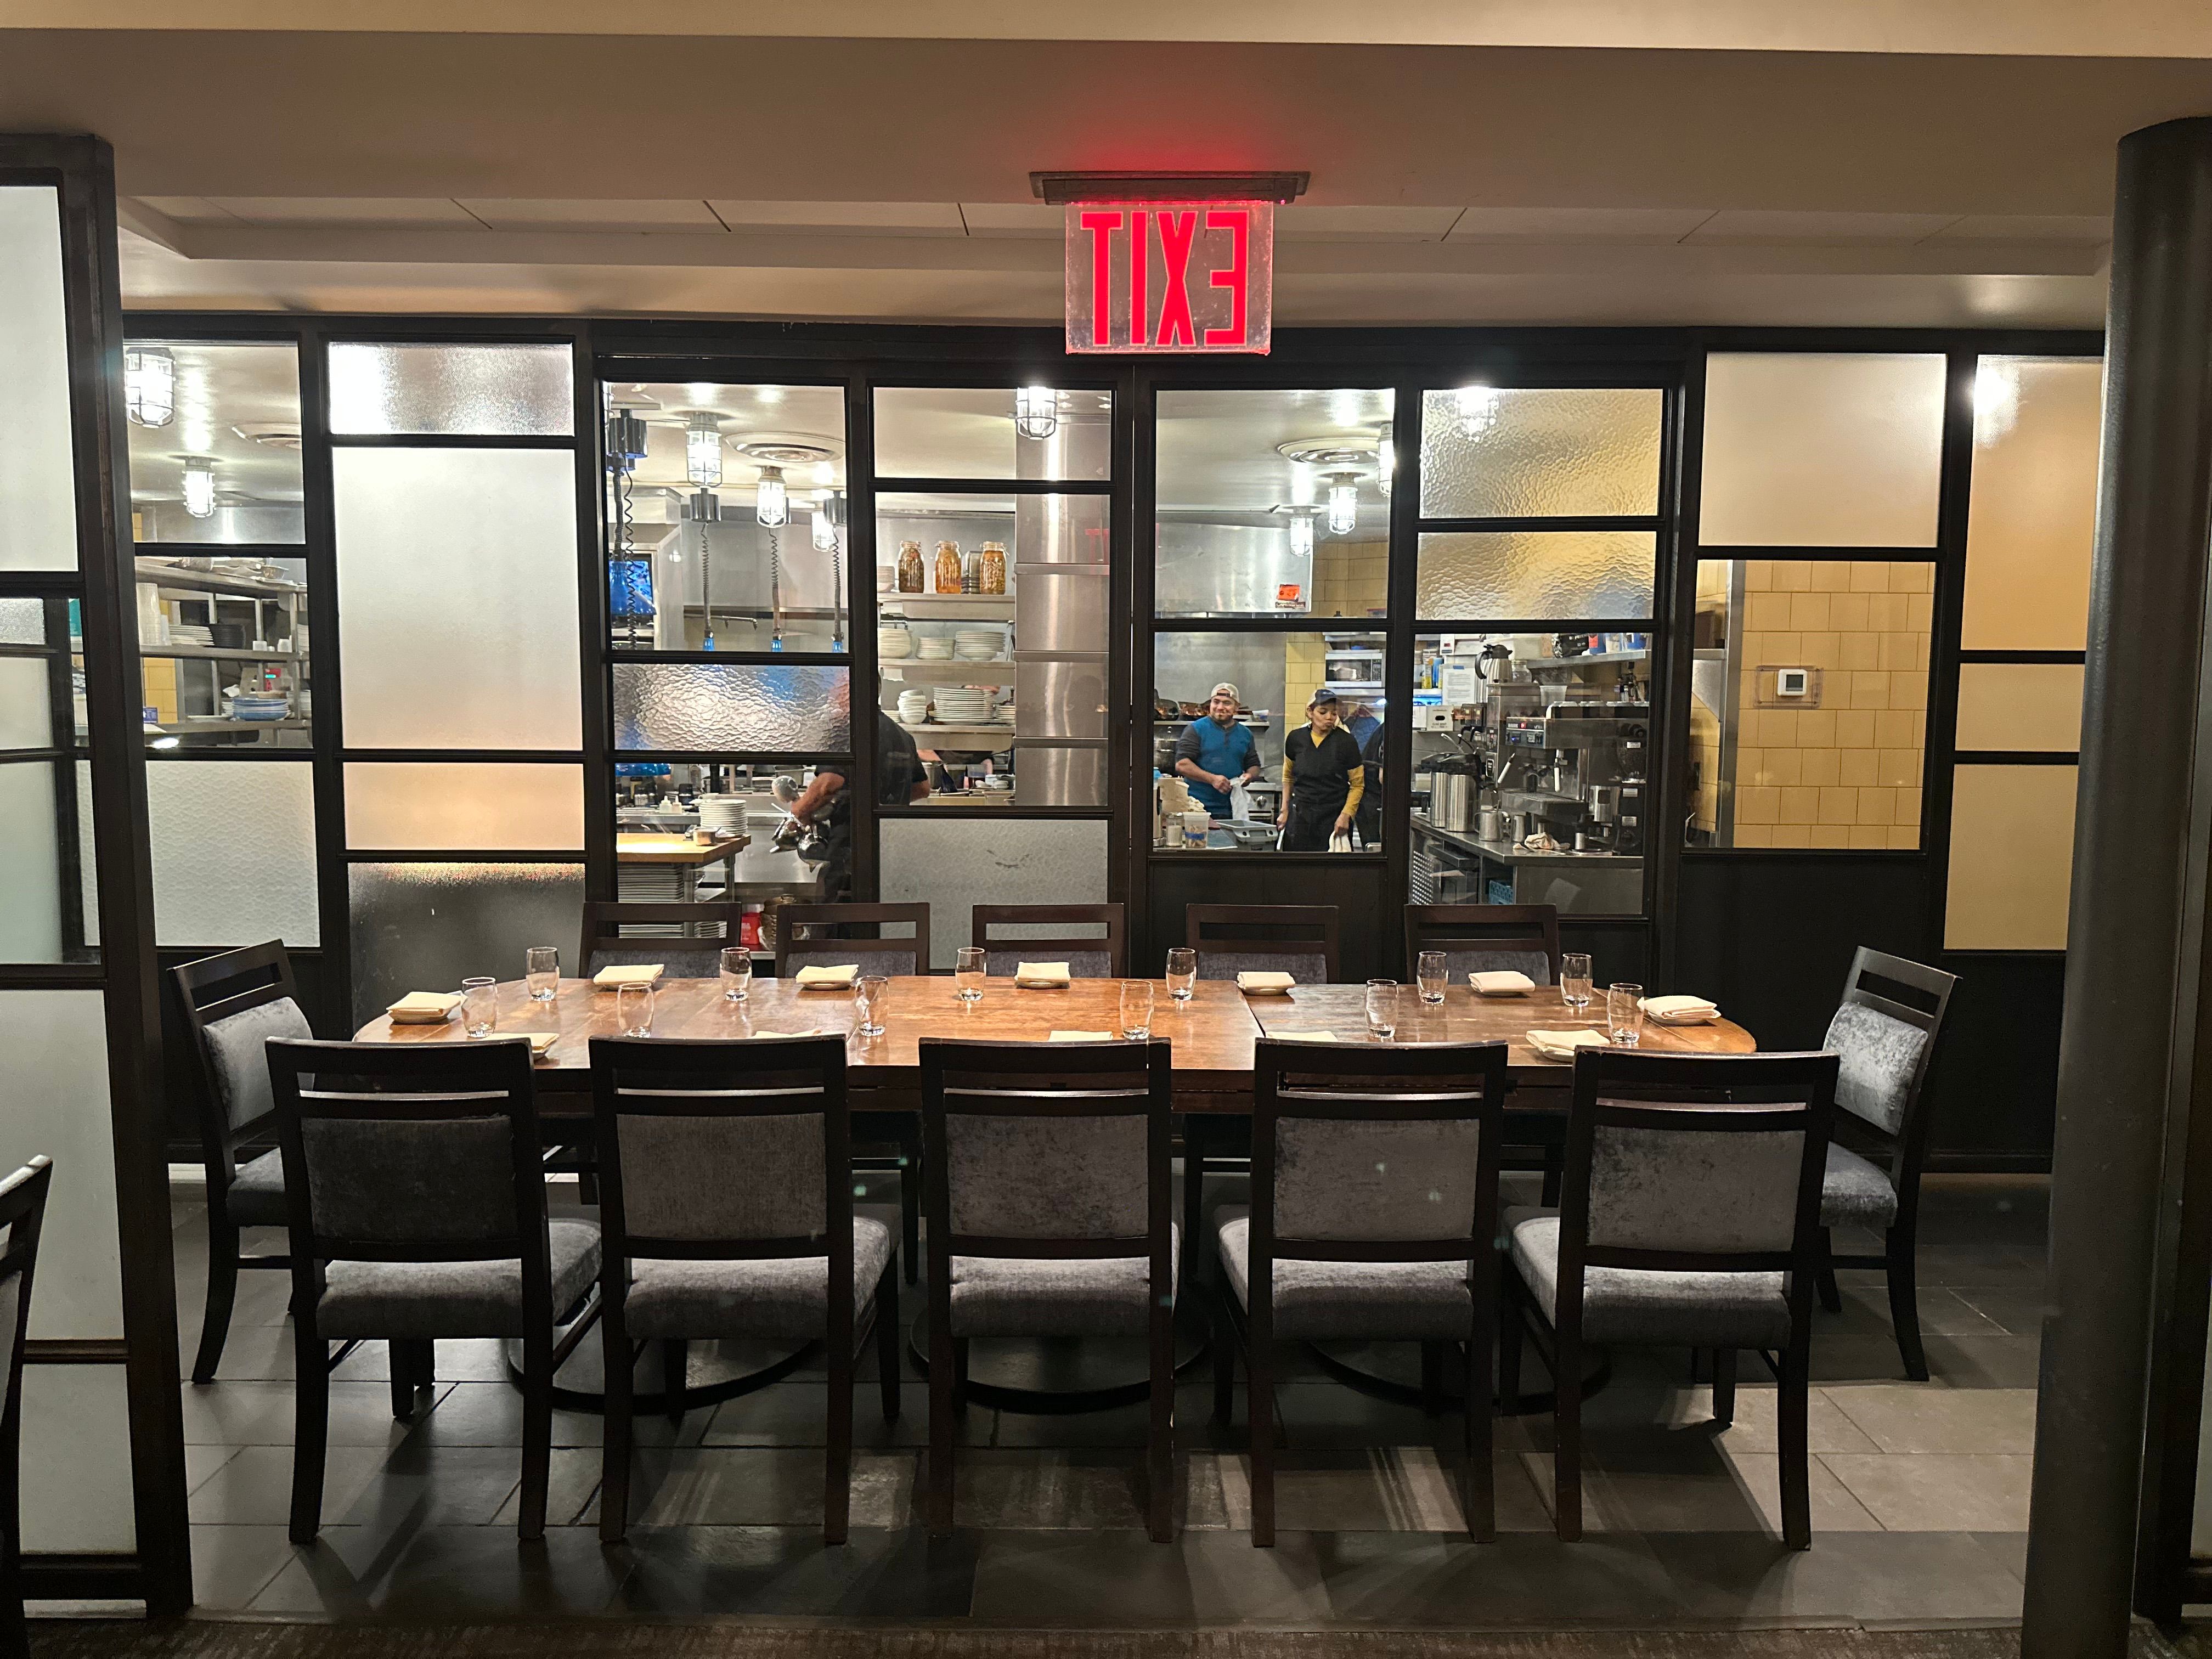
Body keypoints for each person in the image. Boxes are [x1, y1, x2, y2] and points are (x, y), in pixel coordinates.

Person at [788, 687, 928, 896]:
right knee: (882, 907)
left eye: (838, 688)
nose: (833, 695)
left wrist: (798, 812)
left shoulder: (847, 730)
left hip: (850, 847)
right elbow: (922, 788)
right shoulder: (902, 735)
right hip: (891, 844)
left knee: (836, 910)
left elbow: (828, 784)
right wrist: (883, 799)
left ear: (850, 690)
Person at [1276, 687, 1365, 851]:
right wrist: (1284, 810)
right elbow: (1288, 777)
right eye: (1323, 712)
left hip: (1334, 818)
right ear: (1310, 712)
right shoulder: (1296, 739)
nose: (1329, 717)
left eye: (1334, 713)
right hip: (1301, 817)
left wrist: (1346, 815)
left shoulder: (1347, 742)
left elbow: (1358, 785)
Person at [1172, 681, 1261, 819]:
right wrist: (1212, 779)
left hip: (1232, 809)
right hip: (1197, 809)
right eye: (1216, 702)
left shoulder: (1245, 734)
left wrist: (1249, 776)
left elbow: (1254, 765)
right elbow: (1182, 764)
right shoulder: (1196, 729)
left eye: (1227, 703)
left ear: (1236, 707)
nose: (1220, 707)